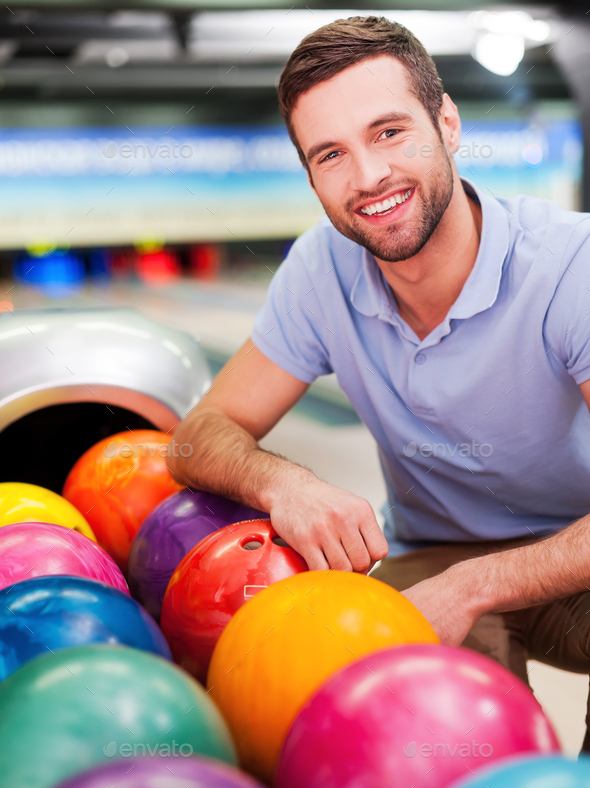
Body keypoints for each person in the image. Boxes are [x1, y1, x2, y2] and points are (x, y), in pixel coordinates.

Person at [169, 16, 590, 747]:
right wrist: (285, 484)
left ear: (447, 123)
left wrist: (476, 584)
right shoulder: (318, 270)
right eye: (331, 153)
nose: (367, 177)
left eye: (389, 132)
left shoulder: (571, 268)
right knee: (442, 760)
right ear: (309, 176)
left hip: (573, 556)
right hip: (434, 558)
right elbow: (199, 436)